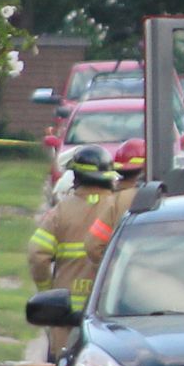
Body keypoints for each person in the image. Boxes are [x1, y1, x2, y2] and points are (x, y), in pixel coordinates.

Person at [30, 146, 112, 351]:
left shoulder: (60, 212)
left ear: (76, 177)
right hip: (109, 312)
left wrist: (46, 292)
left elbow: (37, 255)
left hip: (66, 317)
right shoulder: (119, 210)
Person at [81, 138, 148, 284]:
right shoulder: (168, 198)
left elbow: (93, 245)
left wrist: (115, 269)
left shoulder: (116, 201)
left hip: (123, 287)